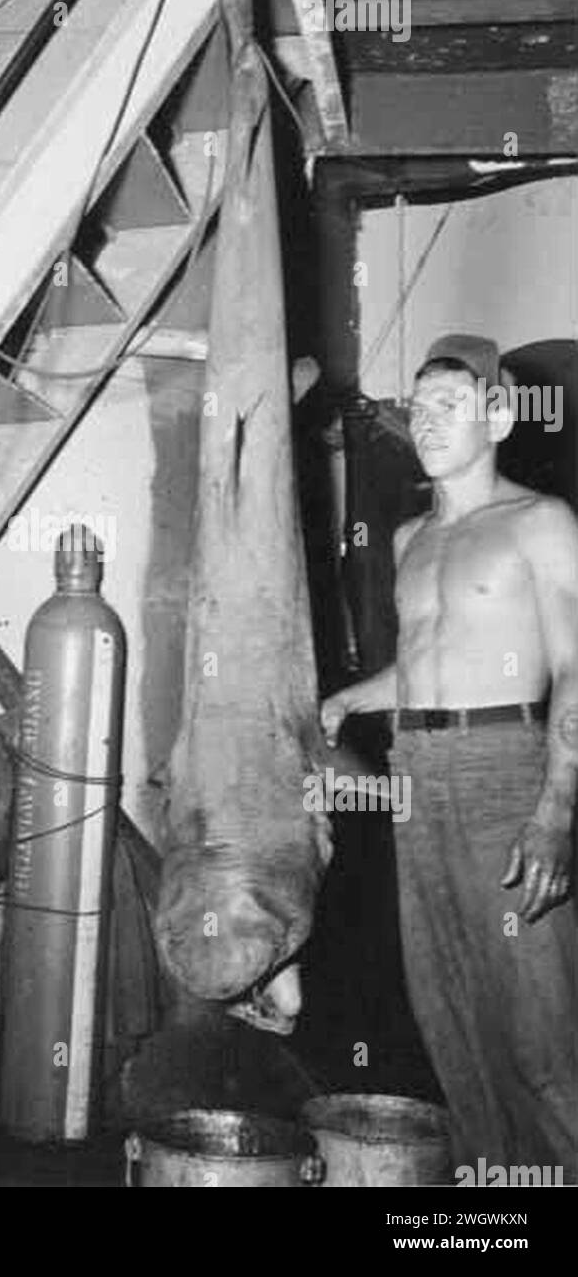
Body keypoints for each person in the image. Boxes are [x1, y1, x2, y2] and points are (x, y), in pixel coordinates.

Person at [321, 333, 578, 1180]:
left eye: (448, 407)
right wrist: (346, 701)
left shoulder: (539, 523)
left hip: (504, 769)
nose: (425, 425)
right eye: (419, 409)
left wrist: (553, 813)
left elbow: (574, 666)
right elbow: (428, 672)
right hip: (414, 780)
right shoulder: (408, 539)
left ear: (498, 415)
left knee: (537, 1034)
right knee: (449, 1016)